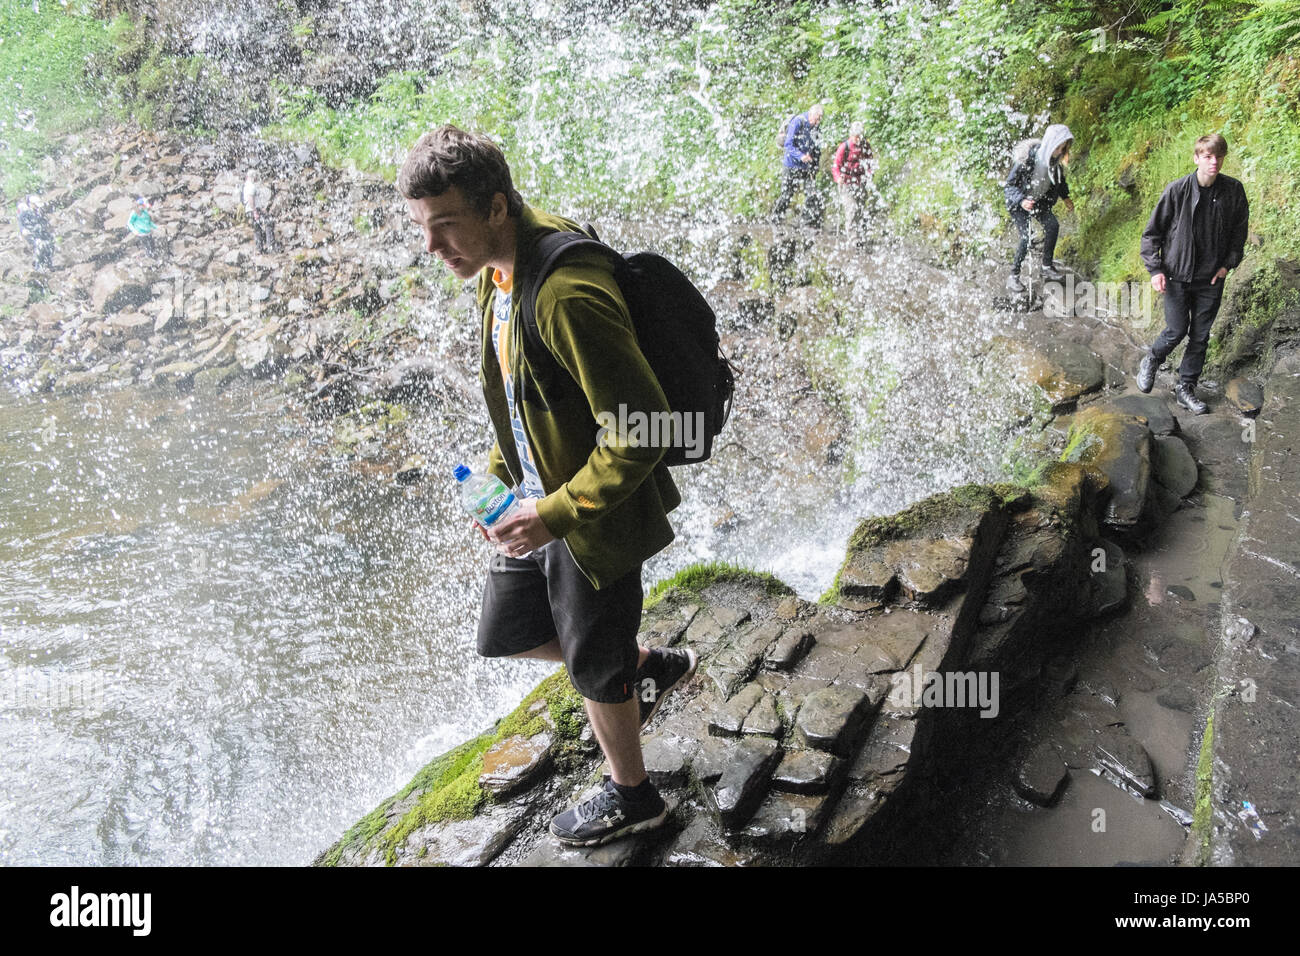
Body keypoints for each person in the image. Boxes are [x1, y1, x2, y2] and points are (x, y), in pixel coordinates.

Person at [398, 126, 698, 847]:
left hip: (589, 517)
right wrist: (503, 480)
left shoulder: (564, 291)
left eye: (446, 227)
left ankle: (634, 797)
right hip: (538, 500)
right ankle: (646, 665)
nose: (432, 248)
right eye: (422, 230)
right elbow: (523, 392)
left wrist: (554, 513)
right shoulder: (496, 273)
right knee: (510, 633)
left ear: (496, 206)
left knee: (593, 667)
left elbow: (645, 428)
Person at [1136, 133, 1249, 414]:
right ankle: (1152, 358)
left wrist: (1228, 264)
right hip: (1176, 276)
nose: (1214, 162)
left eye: (1219, 156)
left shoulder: (1233, 191)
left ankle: (1185, 388)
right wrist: (1155, 270)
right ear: (1196, 158)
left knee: (1200, 336)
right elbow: (1152, 234)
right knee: (1177, 330)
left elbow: (1239, 233)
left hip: (1211, 278)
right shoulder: (1177, 191)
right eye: (1208, 157)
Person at [1004, 124, 1076, 292]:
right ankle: (1013, 276)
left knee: (1052, 226)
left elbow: (1060, 182)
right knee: (1026, 237)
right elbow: (1009, 186)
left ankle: (1046, 267)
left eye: (1062, 149)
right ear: (1050, 144)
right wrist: (1021, 201)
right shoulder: (1027, 158)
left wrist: (1065, 197)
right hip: (1019, 203)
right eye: (1058, 147)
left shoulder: (1055, 163)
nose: (1059, 152)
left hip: (1039, 202)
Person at [772, 104, 824, 226]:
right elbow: (788, 145)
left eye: (819, 119)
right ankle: (776, 218)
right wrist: (800, 156)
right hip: (791, 165)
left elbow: (817, 148)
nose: (817, 122)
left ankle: (805, 222)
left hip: (807, 167)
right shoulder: (798, 122)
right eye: (816, 119)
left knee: (811, 193)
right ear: (810, 114)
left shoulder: (816, 128)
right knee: (787, 195)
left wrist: (815, 165)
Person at [831, 121, 874, 239]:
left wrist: (870, 175)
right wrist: (838, 178)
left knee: (860, 209)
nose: (857, 139)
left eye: (859, 137)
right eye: (855, 137)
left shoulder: (865, 146)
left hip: (860, 182)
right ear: (851, 135)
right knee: (851, 209)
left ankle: (861, 235)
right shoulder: (844, 147)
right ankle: (853, 238)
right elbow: (836, 166)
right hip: (846, 183)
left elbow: (870, 163)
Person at [16, 195, 55, 272]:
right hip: (32, 236)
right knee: (40, 246)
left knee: (50, 245)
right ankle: (38, 266)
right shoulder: (24, 214)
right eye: (35, 205)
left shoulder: (39, 213)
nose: (37, 207)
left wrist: (49, 229)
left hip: (42, 234)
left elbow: (45, 223)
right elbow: (21, 225)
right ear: (31, 204)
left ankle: (48, 264)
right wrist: (24, 230)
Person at [243, 169, 277, 253]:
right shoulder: (251, 186)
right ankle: (270, 245)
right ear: (253, 177)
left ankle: (259, 248)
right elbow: (250, 199)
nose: (256, 179)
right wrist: (255, 211)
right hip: (253, 210)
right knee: (269, 221)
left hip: (249, 210)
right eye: (256, 177)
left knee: (257, 228)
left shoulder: (246, 186)